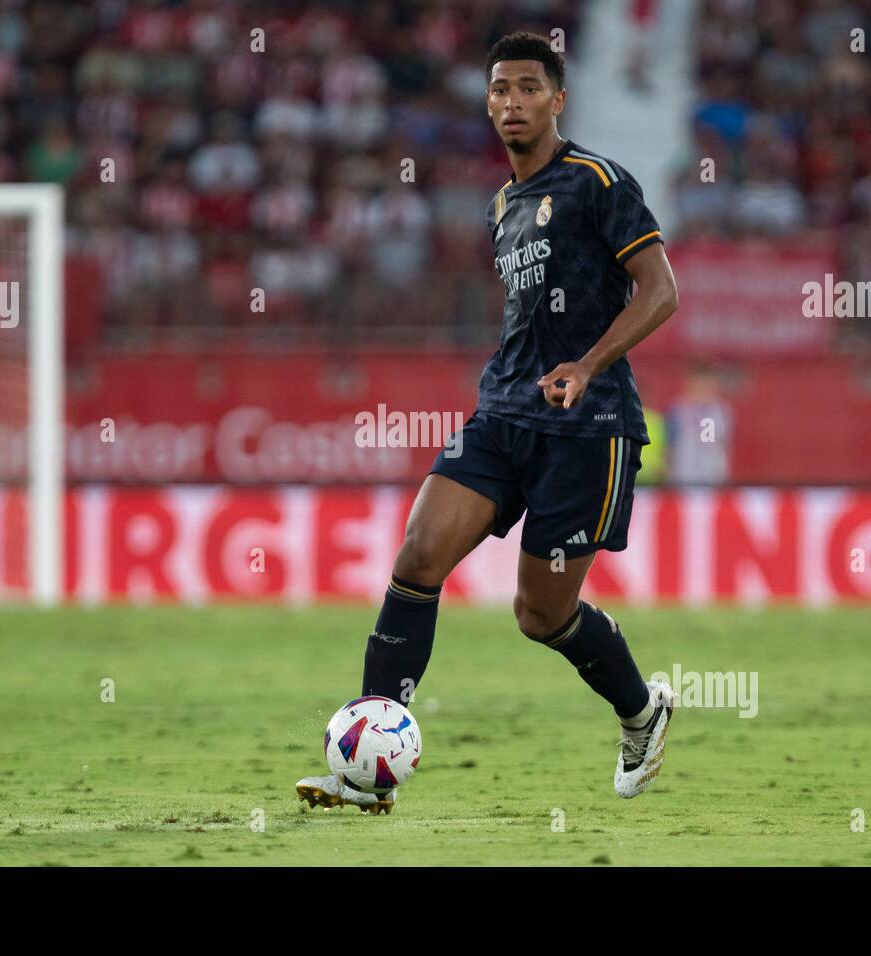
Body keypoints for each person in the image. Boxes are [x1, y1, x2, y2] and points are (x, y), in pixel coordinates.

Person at [297, 32, 680, 813]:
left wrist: (586, 365)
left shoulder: (600, 183)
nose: (512, 102)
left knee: (540, 615)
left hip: (590, 426)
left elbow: (661, 291)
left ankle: (642, 711)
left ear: (558, 99)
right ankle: (366, 770)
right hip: (502, 416)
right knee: (416, 557)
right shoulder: (502, 205)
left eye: (529, 88)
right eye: (500, 90)